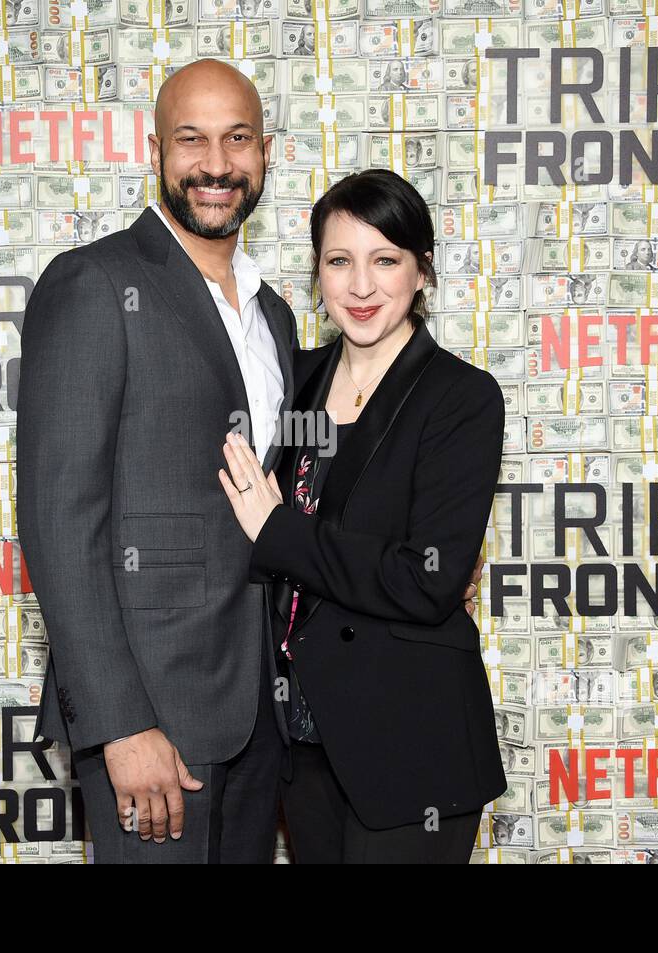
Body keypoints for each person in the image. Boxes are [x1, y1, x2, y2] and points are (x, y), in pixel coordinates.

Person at [18, 59, 482, 864]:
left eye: (237, 139)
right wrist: (121, 722)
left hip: (273, 726)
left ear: (265, 152)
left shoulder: (274, 316)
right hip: (153, 720)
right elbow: (62, 523)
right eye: (191, 139)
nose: (216, 163)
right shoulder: (94, 283)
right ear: (154, 148)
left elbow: (316, 495)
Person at [218, 169, 507, 862]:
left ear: (423, 271)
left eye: (386, 260)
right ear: (317, 272)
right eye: (340, 261)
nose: (362, 285)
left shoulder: (459, 398)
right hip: (302, 739)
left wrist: (282, 531)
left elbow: (424, 580)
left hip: (410, 743)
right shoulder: (295, 380)